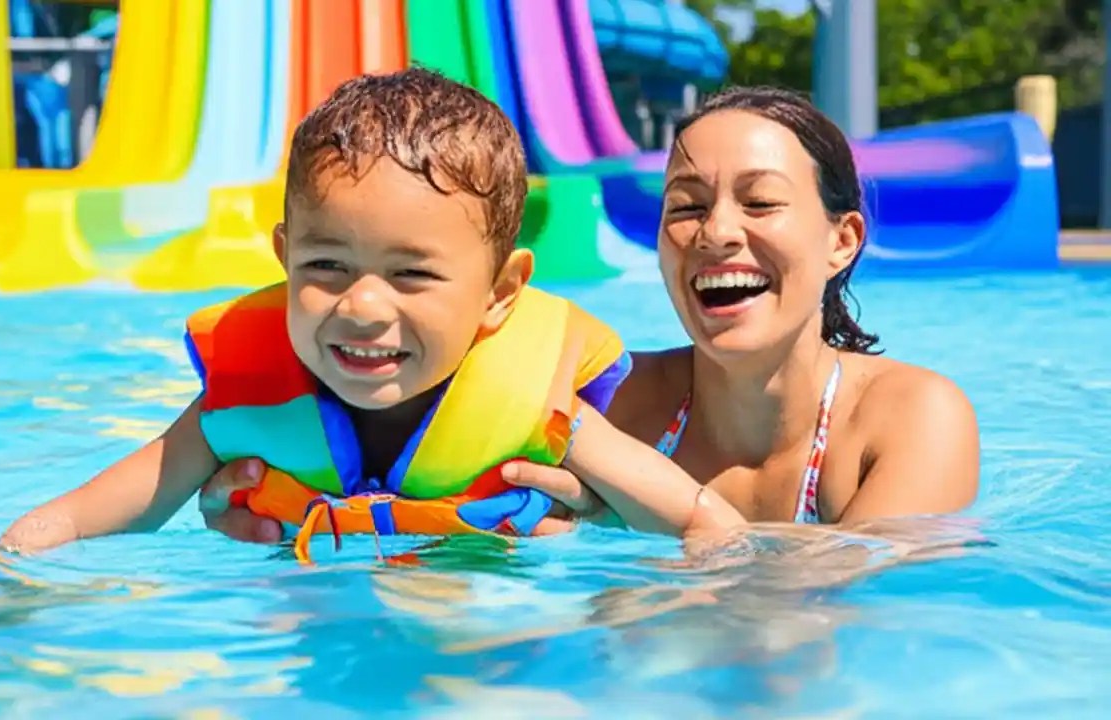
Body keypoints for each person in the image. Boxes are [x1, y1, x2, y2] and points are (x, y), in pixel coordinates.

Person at [0, 68, 744, 557]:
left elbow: (707, 523)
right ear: (285, 257)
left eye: (412, 274)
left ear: (501, 293)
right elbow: (70, 519)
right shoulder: (245, 407)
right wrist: (0, 578)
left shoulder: (538, 413)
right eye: (326, 266)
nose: (361, 306)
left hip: (486, 658)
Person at [199, 85, 979, 543]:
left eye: (761, 202)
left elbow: (862, 621)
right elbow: (410, 478)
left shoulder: (909, 420)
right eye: (686, 205)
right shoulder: (609, 401)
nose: (715, 232)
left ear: (843, 240)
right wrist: (280, 493)